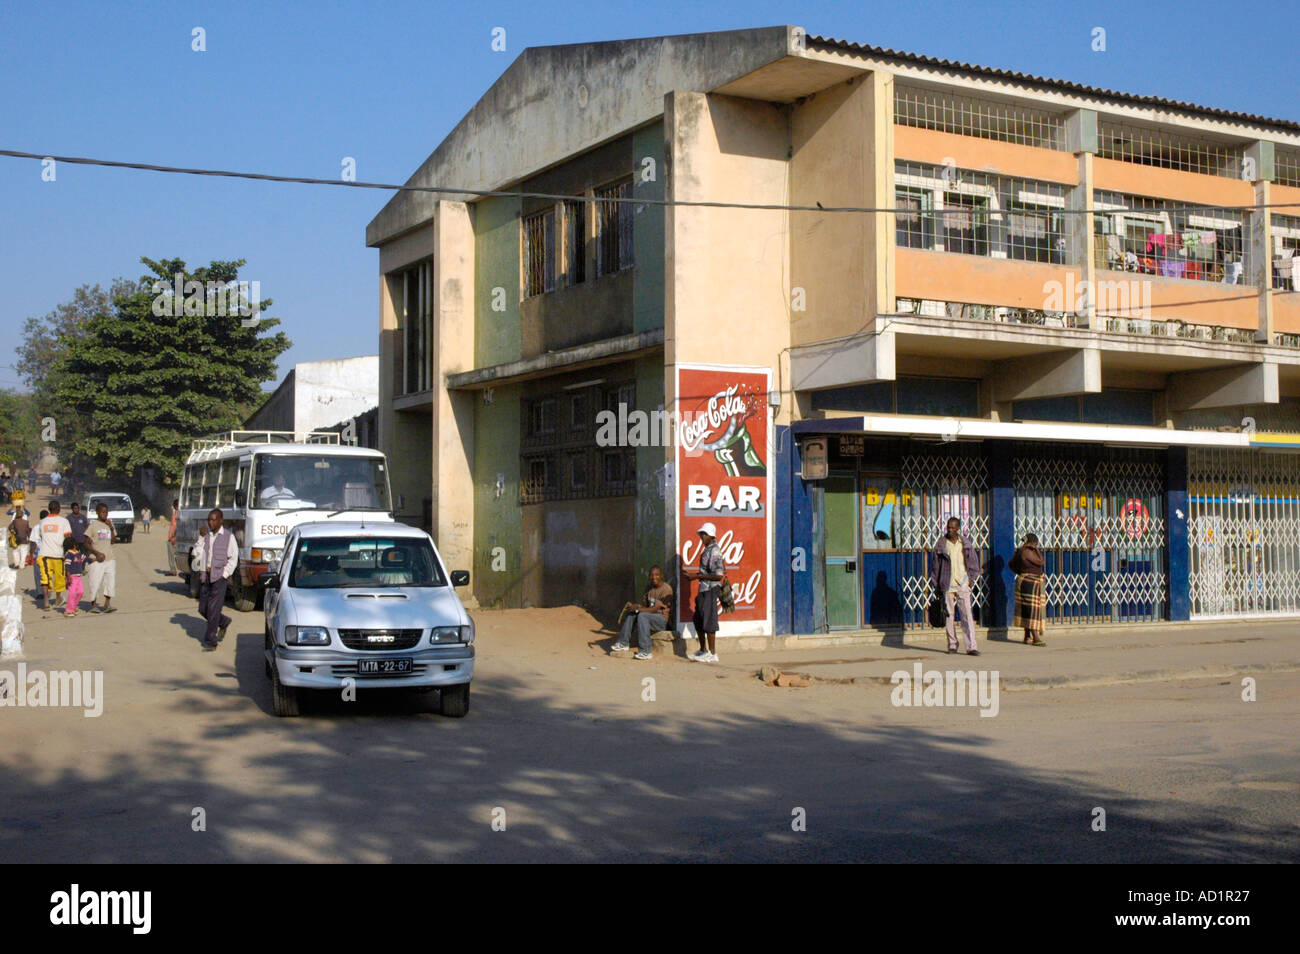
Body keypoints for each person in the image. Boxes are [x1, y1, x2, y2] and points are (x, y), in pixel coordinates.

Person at [930, 516, 982, 656]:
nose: (950, 530)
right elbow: (935, 566)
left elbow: (973, 563)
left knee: (967, 616)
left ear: (958, 528)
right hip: (946, 584)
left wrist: (970, 579)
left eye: (953, 528)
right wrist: (936, 585)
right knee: (949, 616)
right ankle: (952, 644)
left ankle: (971, 646)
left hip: (962, 583)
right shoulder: (941, 544)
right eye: (948, 527)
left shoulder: (965, 543)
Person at [192, 508, 238, 651]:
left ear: (220, 520)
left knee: (213, 609)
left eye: (213, 520)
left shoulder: (229, 537)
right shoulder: (206, 535)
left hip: (219, 577)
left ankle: (211, 640)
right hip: (205, 576)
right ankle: (223, 621)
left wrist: (225, 574)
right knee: (203, 608)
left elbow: (233, 558)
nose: (210, 523)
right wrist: (200, 537)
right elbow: (196, 553)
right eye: (209, 520)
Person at [610, 565, 674, 660]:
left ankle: (646, 651)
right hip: (650, 617)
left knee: (642, 615)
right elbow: (646, 607)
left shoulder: (666, 589)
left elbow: (655, 609)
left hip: (663, 621)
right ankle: (623, 643)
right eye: (651, 575)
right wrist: (636, 607)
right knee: (633, 613)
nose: (654, 577)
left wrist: (639, 610)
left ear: (661, 576)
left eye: (656, 575)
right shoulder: (649, 588)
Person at [684, 522, 726, 663]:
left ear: (711, 535)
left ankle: (712, 654)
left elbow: (718, 575)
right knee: (698, 619)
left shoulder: (715, 551)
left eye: (704, 534)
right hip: (703, 588)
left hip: (710, 589)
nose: (701, 537)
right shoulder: (707, 549)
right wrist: (694, 575)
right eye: (701, 534)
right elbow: (706, 571)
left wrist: (696, 577)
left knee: (709, 620)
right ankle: (703, 650)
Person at [1009, 533, 1047, 646]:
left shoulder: (1021, 551)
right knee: (1032, 611)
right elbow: (1041, 561)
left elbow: (1011, 564)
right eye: (1035, 543)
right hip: (1030, 583)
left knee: (1026, 609)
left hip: (1028, 581)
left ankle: (1027, 636)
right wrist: (1036, 550)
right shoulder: (1026, 551)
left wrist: (1021, 572)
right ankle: (1035, 637)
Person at [37, 501, 72, 611]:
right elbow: (68, 538)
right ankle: (58, 598)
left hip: (44, 554)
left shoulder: (42, 522)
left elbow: (42, 536)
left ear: (49, 509)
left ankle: (46, 602)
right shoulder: (64, 521)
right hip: (58, 554)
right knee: (59, 578)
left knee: (45, 578)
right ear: (59, 509)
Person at [83, 503, 118, 613]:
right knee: (95, 582)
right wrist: (96, 553)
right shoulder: (93, 526)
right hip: (97, 560)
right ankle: (93, 605)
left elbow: (113, 541)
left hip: (109, 559)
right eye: (103, 512)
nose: (105, 514)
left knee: (110, 582)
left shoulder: (109, 525)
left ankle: (107, 604)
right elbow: (86, 543)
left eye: (106, 512)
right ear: (97, 512)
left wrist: (111, 528)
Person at [62, 536, 88, 617]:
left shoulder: (78, 553)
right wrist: (68, 576)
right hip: (71, 577)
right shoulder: (69, 554)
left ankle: (74, 606)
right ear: (73, 545)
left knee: (81, 592)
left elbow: (85, 559)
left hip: (78, 577)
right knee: (72, 593)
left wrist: (94, 559)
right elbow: (67, 566)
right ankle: (69, 610)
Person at [6, 492, 31, 569]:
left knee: (15, 550)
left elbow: (9, 526)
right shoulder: (25, 518)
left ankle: (17, 563)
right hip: (24, 537)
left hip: (15, 536)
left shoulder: (17, 517)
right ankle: (21, 565)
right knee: (23, 551)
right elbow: (28, 529)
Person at [165, 499, 181, 575]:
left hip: (174, 538)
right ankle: (173, 569)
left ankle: (173, 570)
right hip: (172, 537)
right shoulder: (175, 514)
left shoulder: (178, 515)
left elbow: (178, 527)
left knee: (172, 554)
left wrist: (174, 538)